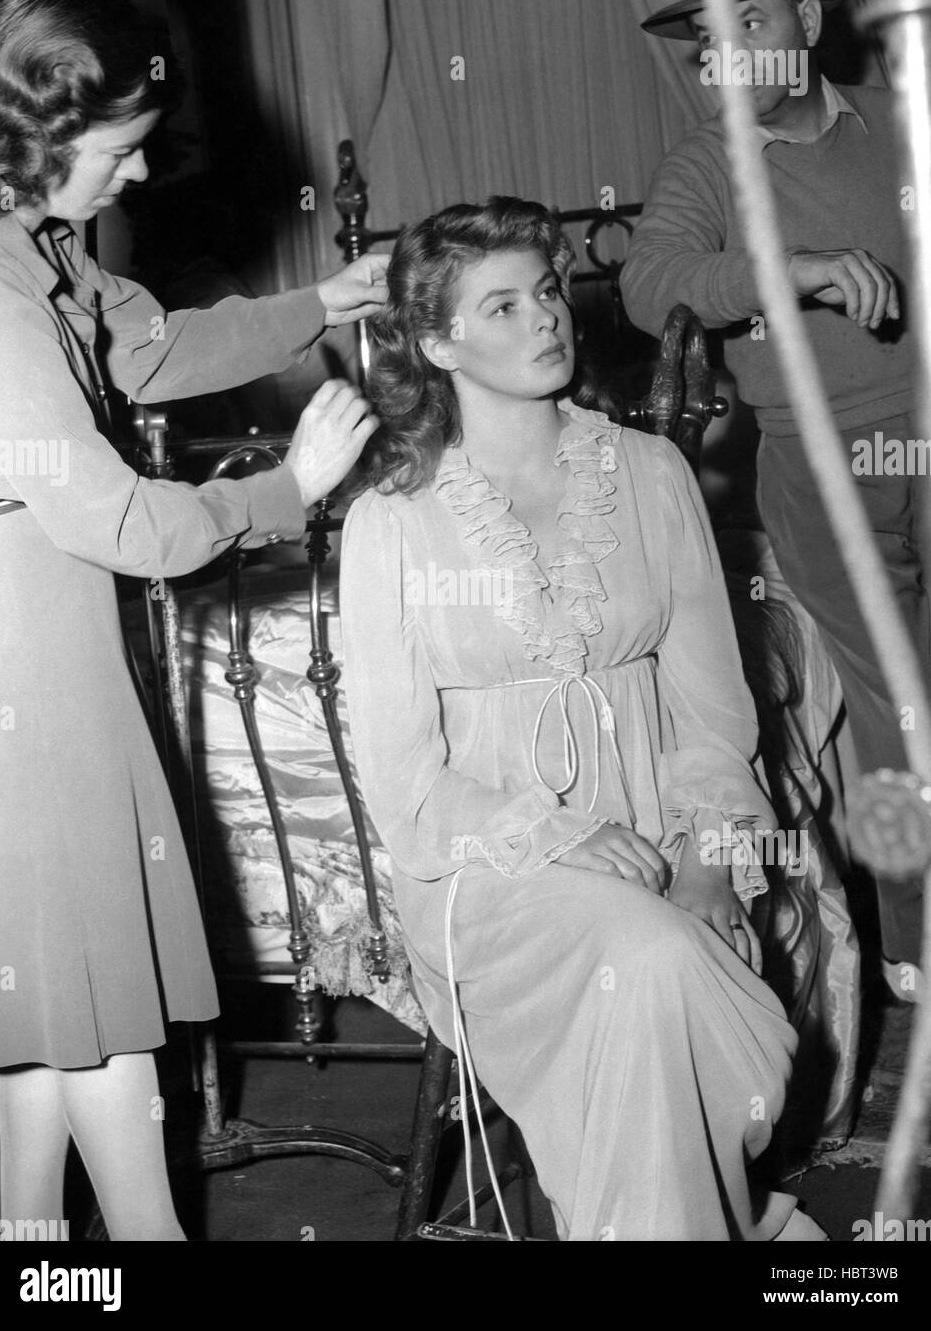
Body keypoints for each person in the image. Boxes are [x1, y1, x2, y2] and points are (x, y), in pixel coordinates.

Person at [0, 0, 382, 1240]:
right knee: (97, 1038)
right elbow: (129, 521)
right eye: (122, 149)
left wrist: (319, 304)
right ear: (38, 132)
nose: (140, 174)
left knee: (51, 1038)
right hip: (13, 681)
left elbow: (158, 348)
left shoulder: (34, 253)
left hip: (43, 653)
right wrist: (290, 491)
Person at [339, 196, 828, 1240]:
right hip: (486, 866)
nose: (548, 318)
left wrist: (704, 860)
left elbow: (713, 710)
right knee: (650, 961)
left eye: (549, 290)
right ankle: (739, 1222)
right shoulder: (391, 515)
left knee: (670, 956)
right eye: (503, 305)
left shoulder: (650, 475)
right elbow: (404, 780)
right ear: (436, 341)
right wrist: (558, 833)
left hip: (660, 825)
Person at [621, 0, 928, 985]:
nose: (734, 59)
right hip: (818, 470)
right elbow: (649, 280)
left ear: (807, 23)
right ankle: (921, 954)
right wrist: (787, 272)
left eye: (753, 25)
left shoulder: (899, 125)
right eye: (714, 43)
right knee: (907, 703)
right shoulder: (707, 166)